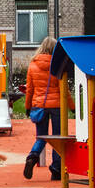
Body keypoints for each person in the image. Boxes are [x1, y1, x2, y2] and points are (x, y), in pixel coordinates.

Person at [23, 36, 66, 180]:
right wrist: (72, 106)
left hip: (39, 104)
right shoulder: (58, 65)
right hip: (57, 106)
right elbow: (63, 89)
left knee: (41, 136)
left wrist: (28, 106)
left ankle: (32, 157)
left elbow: (29, 89)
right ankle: (56, 170)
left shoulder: (33, 65)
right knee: (57, 137)